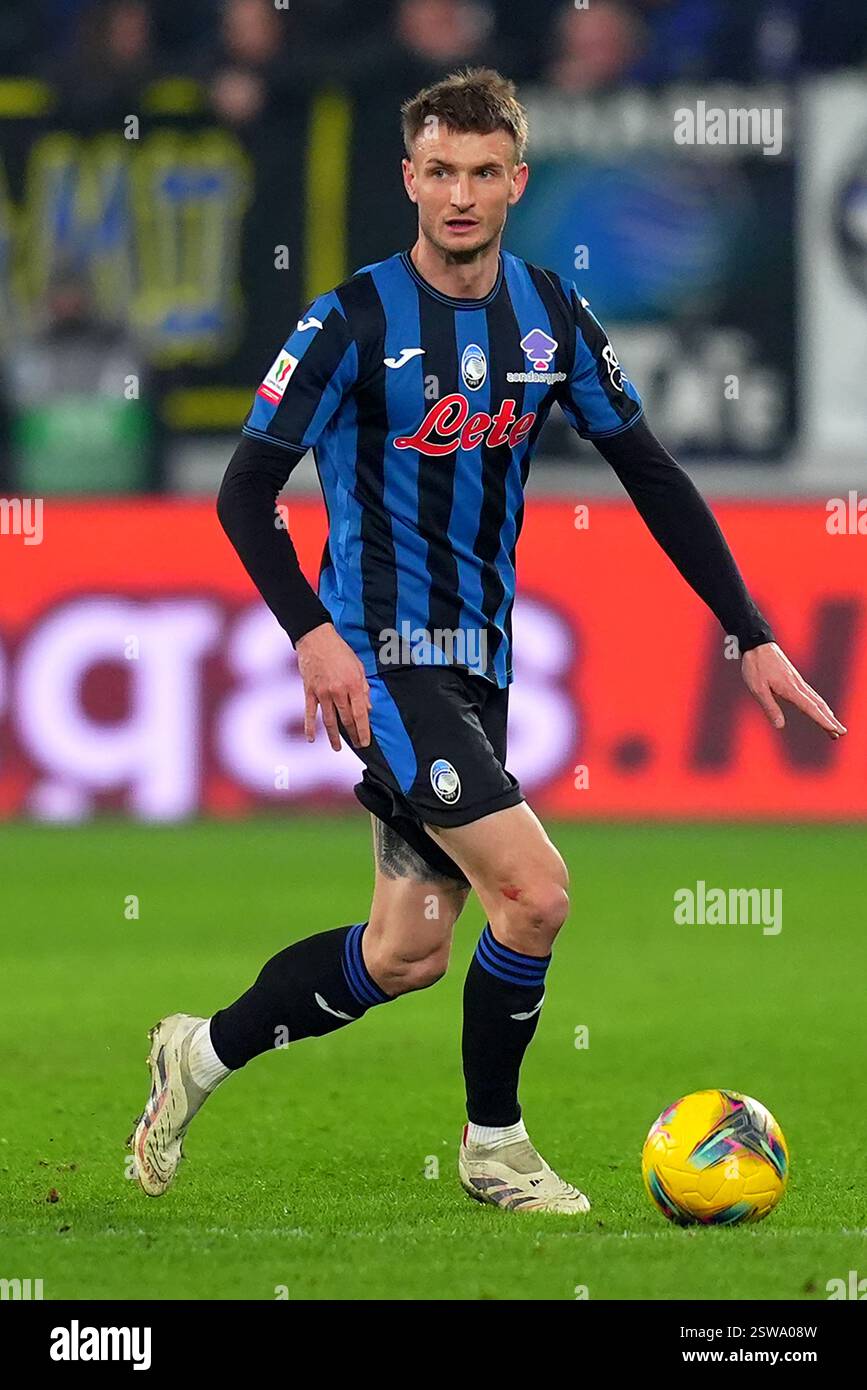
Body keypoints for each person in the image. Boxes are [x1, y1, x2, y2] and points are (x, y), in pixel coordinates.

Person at [129, 67, 846, 1214]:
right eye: (439, 173)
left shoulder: (552, 316)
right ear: (410, 179)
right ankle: (495, 1146)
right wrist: (315, 635)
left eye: (483, 173)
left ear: (517, 180)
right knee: (538, 893)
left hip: (479, 660)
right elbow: (243, 491)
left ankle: (197, 1054)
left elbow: (650, 473)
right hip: (384, 658)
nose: (460, 195)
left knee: (405, 949)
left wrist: (750, 634)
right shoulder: (350, 320)